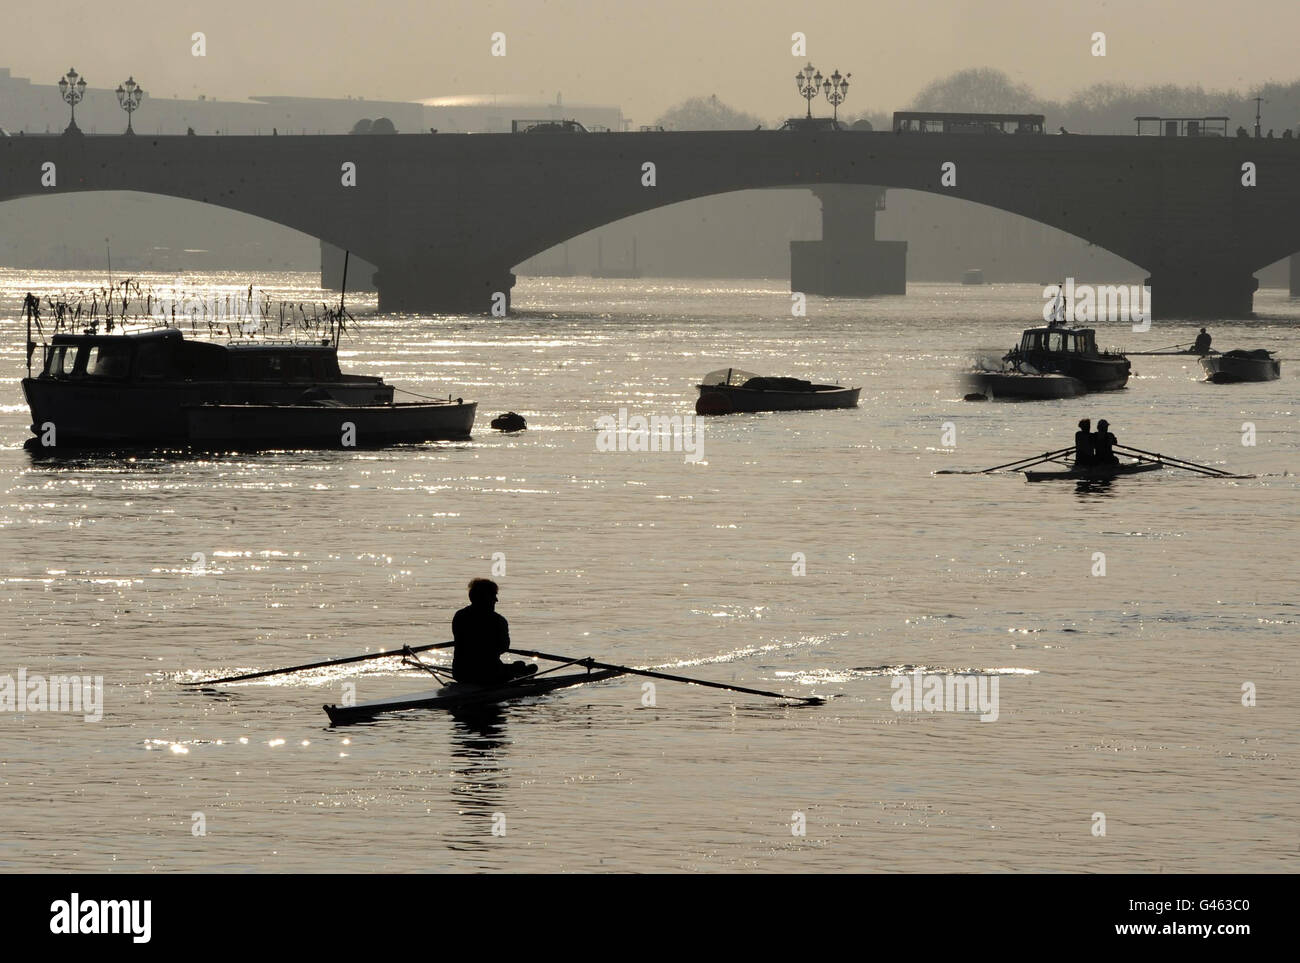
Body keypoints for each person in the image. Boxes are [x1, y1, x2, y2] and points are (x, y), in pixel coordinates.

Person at [451, 578, 537, 685]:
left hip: (460, 673)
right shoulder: (498, 621)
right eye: (493, 595)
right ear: (485, 598)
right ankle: (521, 672)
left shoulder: (459, 616)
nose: (496, 600)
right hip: (490, 674)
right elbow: (503, 647)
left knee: (517, 666)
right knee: (526, 666)